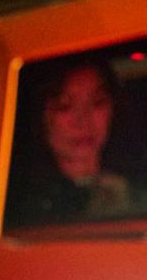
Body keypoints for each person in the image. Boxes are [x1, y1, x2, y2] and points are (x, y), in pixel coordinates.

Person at [9, 60, 129, 226]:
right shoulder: (21, 208)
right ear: (40, 116)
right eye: (64, 106)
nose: (83, 120)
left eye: (97, 102)